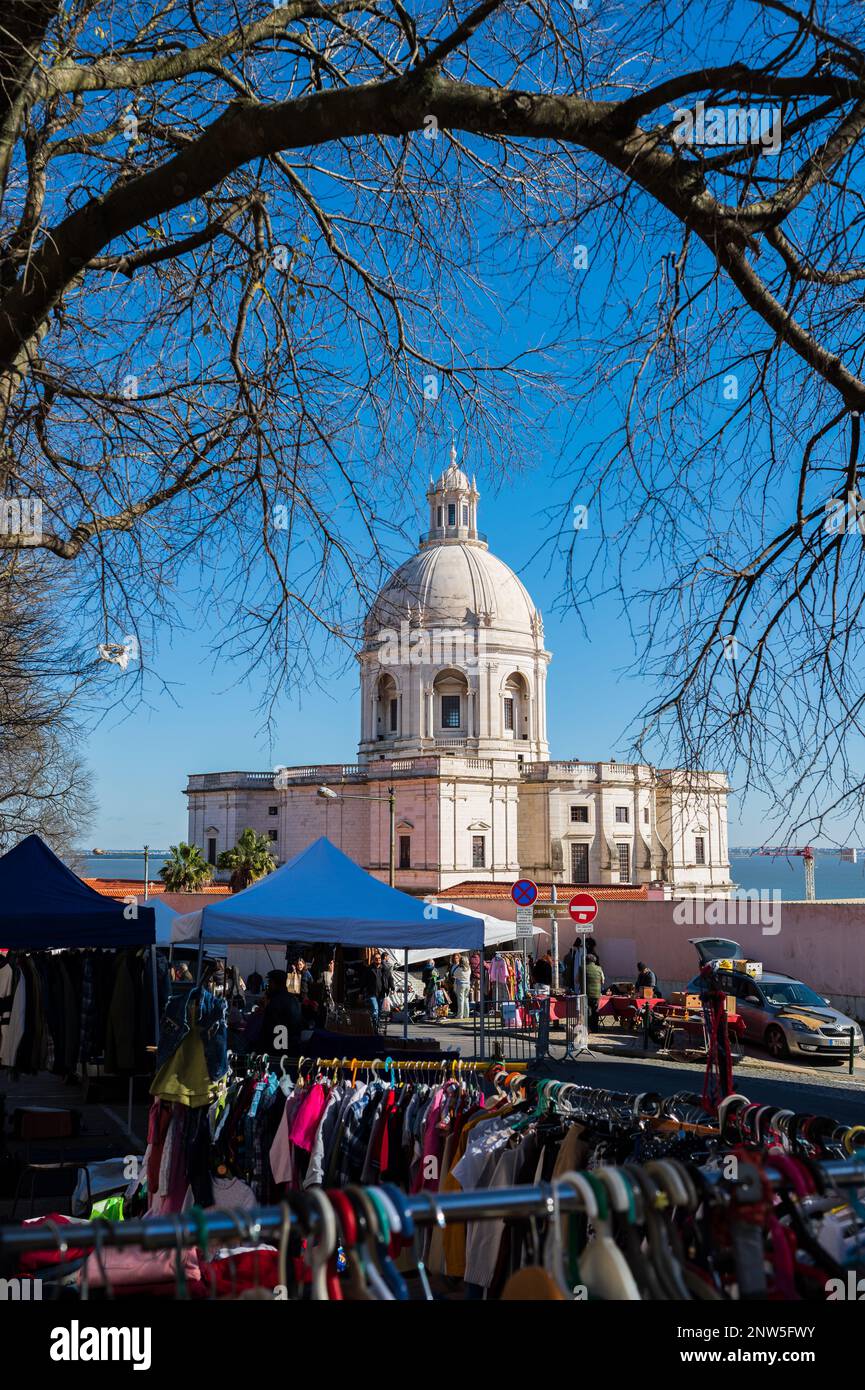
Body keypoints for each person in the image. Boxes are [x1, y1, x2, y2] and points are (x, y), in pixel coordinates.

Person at [249, 969, 302, 1054]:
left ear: (276, 983)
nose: (268, 985)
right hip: (292, 1048)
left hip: (278, 1051)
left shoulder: (276, 1002)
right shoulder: (293, 999)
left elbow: (271, 1029)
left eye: (270, 982)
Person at [364, 950, 394, 1030]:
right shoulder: (369, 969)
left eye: (379, 959)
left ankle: (376, 1025)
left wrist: (392, 988)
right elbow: (364, 981)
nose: (378, 960)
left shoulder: (385, 969)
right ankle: (374, 1026)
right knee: (375, 1010)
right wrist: (361, 992)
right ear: (373, 960)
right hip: (372, 993)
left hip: (381, 993)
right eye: (376, 959)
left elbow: (390, 979)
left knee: (379, 1011)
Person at [585, 952, 605, 1032]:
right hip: (597, 993)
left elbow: (576, 980)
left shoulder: (583, 968)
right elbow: (603, 981)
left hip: (587, 993)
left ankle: (588, 1028)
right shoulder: (599, 968)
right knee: (595, 1010)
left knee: (588, 1010)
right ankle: (595, 1028)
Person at [450, 953, 471, 1019]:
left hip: (461, 985)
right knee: (466, 1000)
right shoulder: (469, 968)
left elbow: (454, 975)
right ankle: (466, 1014)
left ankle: (460, 1015)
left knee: (460, 1000)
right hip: (468, 984)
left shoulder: (459, 968)